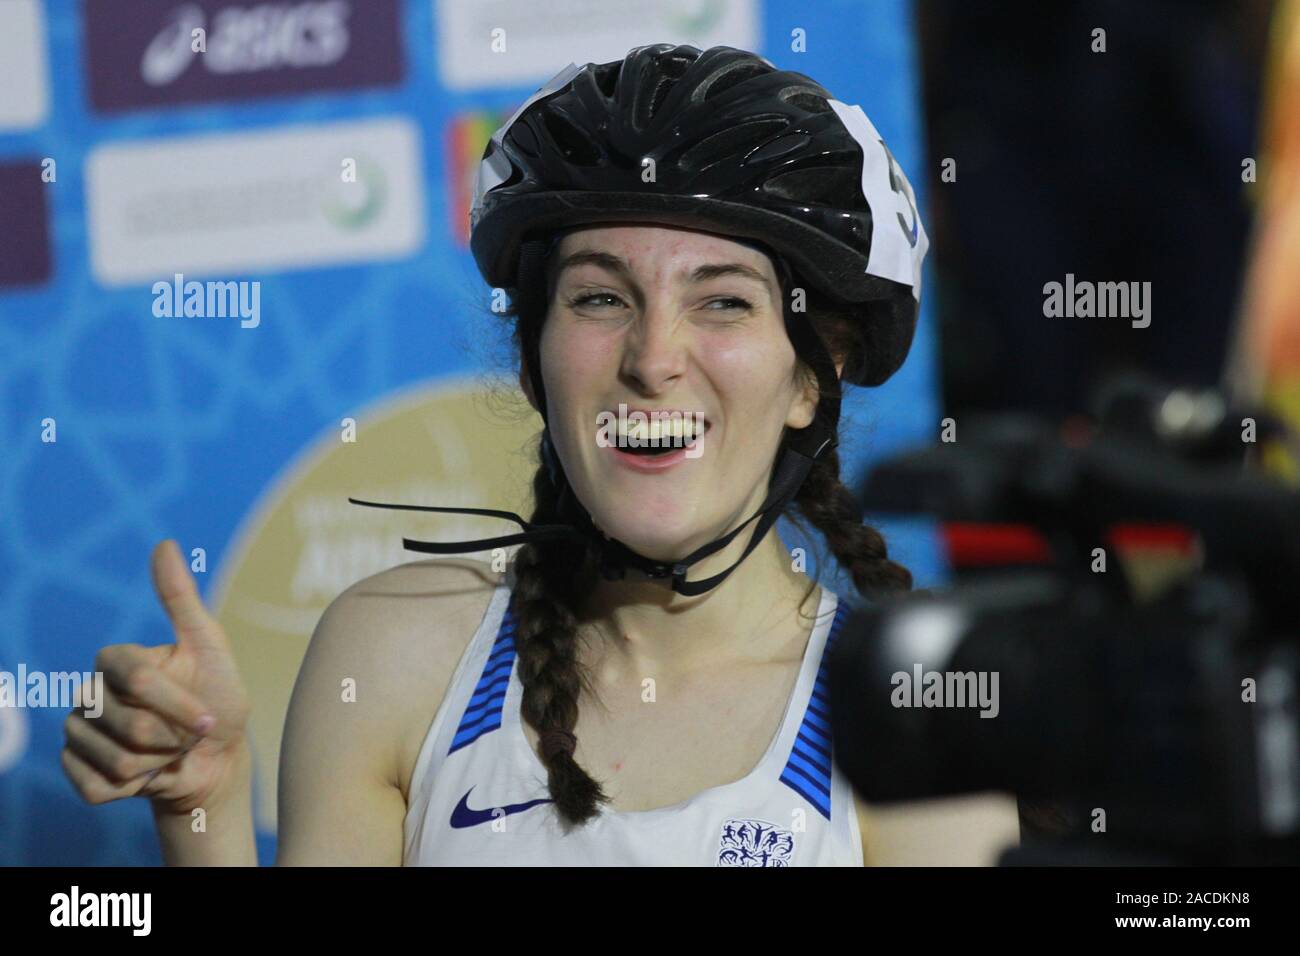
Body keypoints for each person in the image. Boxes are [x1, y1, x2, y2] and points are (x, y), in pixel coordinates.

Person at [61, 43, 1020, 865]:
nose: (652, 360)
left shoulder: (913, 725)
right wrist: (204, 806)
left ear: (814, 377)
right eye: (601, 298)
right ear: (534, 361)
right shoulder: (392, 654)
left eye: (723, 301)